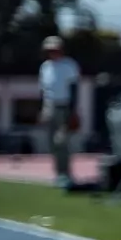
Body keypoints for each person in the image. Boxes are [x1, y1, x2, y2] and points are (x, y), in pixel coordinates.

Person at [38, 36, 81, 188]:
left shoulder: (69, 65)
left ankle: (65, 174)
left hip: (64, 106)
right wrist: (42, 109)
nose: (53, 53)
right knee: (52, 143)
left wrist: (73, 111)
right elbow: (44, 91)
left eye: (55, 50)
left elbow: (74, 89)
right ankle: (58, 173)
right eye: (50, 50)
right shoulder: (45, 67)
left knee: (61, 141)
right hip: (49, 106)